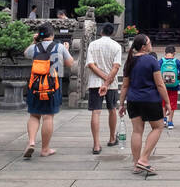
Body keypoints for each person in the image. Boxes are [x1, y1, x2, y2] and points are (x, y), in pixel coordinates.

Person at [118, 34, 171, 176]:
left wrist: (121, 103)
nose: (151, 44)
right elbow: (160, 84)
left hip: (133, 100)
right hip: (150, 99)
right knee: (158, 127)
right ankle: (144, 159)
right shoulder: (152, 60)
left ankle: (136, 164)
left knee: (137, 131)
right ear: (144, 46)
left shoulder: (129, 61)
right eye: (149, 42)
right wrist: (167, 102)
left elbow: (124, 86)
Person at [23, 23, 75, 158]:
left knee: (34, 115)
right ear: (52, 34)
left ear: (39, 35)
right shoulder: (58, 47)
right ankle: (45, 149)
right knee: (48, 116)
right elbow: (70, 64)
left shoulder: (34, 47)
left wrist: (34, 41)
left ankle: (31, 142)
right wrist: (66, 49)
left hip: (35, 86)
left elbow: (25, 53)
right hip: (52, 86)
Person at [85, 22, 123, 153]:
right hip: (111, 84)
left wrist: (102, 79)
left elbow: (91, 64)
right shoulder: (117, 46)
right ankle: (112, 138)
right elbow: (116, 67)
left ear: (101, 32)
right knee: (112, 109)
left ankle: (96, 145)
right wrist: (107, 81)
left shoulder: (92, 44)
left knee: (96, 112)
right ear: (113, 33)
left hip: (95, 83)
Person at [160, 46, 180, 128]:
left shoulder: (161, 61)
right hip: (174, 86)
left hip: (163, 86)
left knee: (163, 103)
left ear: (165, 53)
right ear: (174, 53)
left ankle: (164, 119)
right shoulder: (176, 61)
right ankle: (170, 121)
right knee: (172, 103)